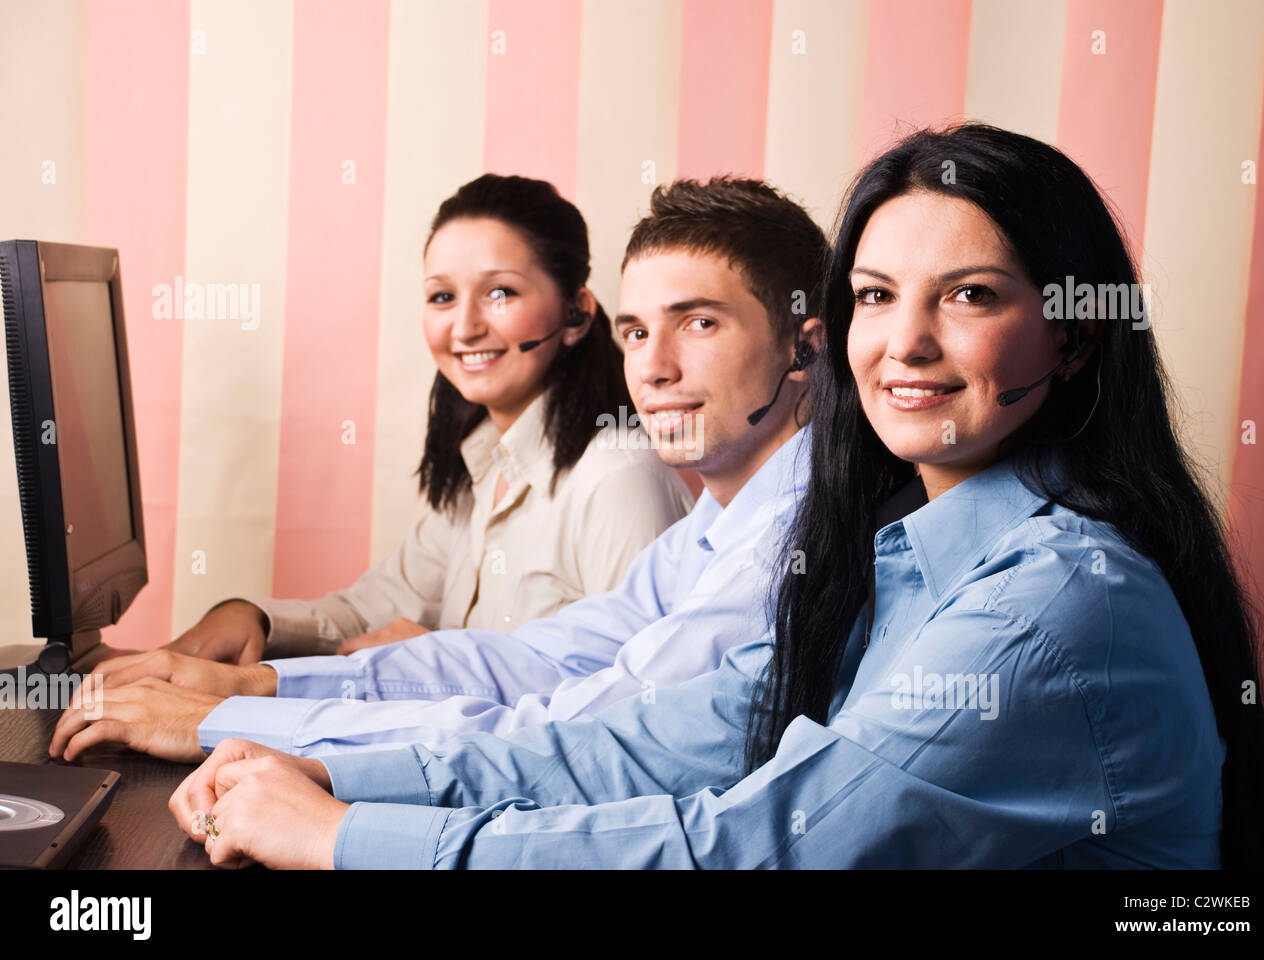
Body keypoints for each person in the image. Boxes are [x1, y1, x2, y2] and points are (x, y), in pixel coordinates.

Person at [169, 123, 1264, 869]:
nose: (903, 343)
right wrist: (320, 762)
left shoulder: (1049, 608)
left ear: (1073, 332)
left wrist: (343, 835)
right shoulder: (897, 552)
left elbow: (754, 852)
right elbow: (652, 740)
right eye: (875, 296)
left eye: (966, 297)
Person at [50, 176, 830, 764]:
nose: (653, 368)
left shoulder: (726, 514)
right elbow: (541, 658)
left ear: (807, 347)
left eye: (698, 322)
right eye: (637, 332)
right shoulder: (712, 520)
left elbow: (584, 730)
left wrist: (241, 720)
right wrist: (257, 678)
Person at [151, 173, 694, 665]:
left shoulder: (620, 478)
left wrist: (438, 664)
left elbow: (635, 706)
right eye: (442, 297)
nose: (464, 327)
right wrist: (252, 616)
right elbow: (368, 610)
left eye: (500, 292)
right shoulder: (482, 470)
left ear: (576, 314)